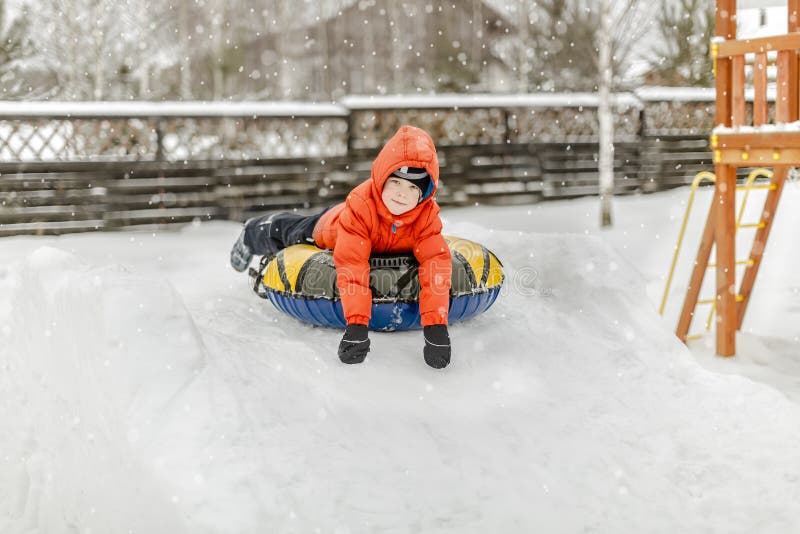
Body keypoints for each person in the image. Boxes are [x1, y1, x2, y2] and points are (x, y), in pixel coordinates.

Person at [230, 125, 452, 368]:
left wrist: (436, 328)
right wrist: (357, 325)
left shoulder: (426, 218)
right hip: (333, 226)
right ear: (382, 179)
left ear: (424, 194)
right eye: (396, 182)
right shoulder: (361, 208)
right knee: (290, 231)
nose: (402, 194)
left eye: (413, 188)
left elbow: (436, 264)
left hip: (370, 229)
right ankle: (253, 232)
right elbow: (352, 264)